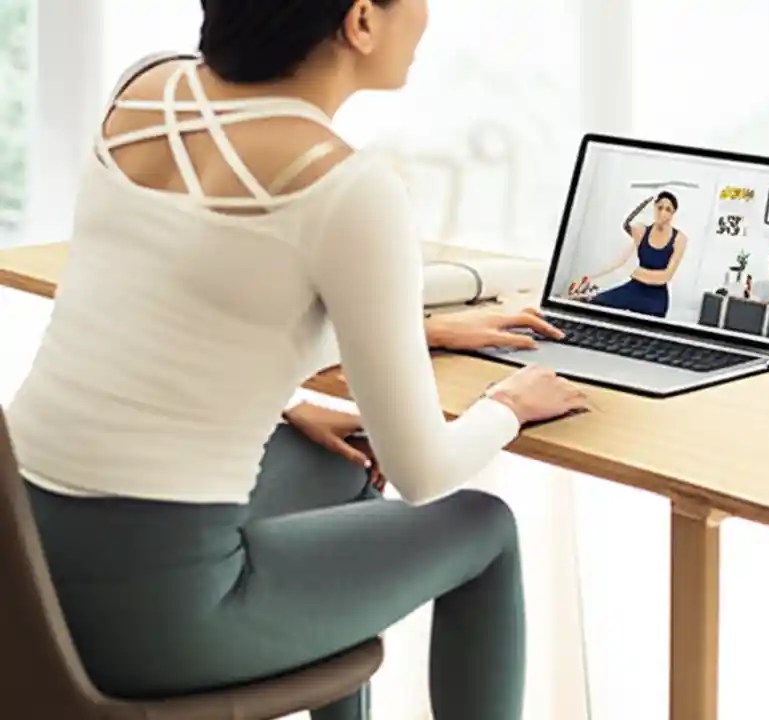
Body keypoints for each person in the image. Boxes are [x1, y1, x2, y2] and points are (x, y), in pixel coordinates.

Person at [3, 2, 590, 719]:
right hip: (153, 621)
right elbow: (425, 471)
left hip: (24, 564)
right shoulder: (346, 187)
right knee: (484, 528)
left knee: (337, 469)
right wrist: (510, 404)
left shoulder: (144, 92)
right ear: (362, 21)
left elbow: (219, 295)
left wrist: (416, 326)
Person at [581, 190, 689, 318]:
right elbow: (626, 224)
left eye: (668, 210)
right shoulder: (642, 231)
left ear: (673, 214)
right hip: (634, 289)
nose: (663, 213)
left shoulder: (680, 239)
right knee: (595, 304)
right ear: (654, 208)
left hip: (655, 299)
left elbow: (665, 276)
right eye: (659, 208)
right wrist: (644, 203)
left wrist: (636, 272)